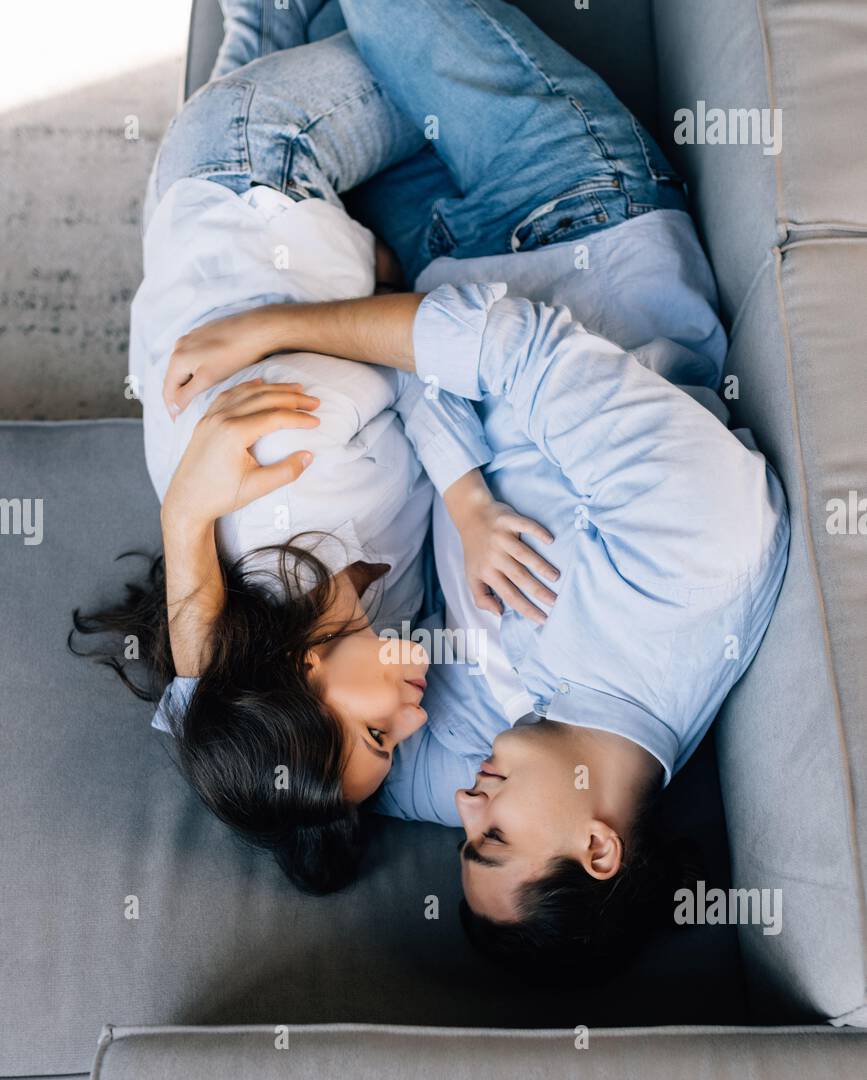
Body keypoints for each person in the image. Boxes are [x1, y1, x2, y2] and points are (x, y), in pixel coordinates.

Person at [156, 0, 790, 972]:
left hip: (421, 267)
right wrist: (277, 331)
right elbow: (507, 343)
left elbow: (243, 719)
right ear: (598, 845)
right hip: (565, 201)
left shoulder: (488, 750)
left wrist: (187, 518)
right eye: (490, 838)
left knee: (289, 94)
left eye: (462, 837)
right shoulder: (694, 569)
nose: (460, 805)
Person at [72, 0, 555, 892]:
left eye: (379, 734)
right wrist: (182, 524)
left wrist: (466, 499)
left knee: (466, 76)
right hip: (204, 243)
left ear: (301, 669)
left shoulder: (284, 484)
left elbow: (420, 355)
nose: (413, 728)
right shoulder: (370, 618)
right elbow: (199, 699)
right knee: (276, 26)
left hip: (256, 164)